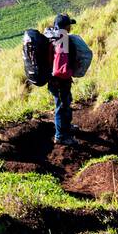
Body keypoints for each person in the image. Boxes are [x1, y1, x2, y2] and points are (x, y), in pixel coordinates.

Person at [45, 13, 76, 145]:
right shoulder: (62, 38)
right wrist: (69, 73)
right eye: (69, 25)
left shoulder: (51, 35)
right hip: (59, 80)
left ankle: (66, 127)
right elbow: (60, 69)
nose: (70, 27)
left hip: (53, 79)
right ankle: (61, 137)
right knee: (61, 106)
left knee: (65, 103)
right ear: (66, 26)